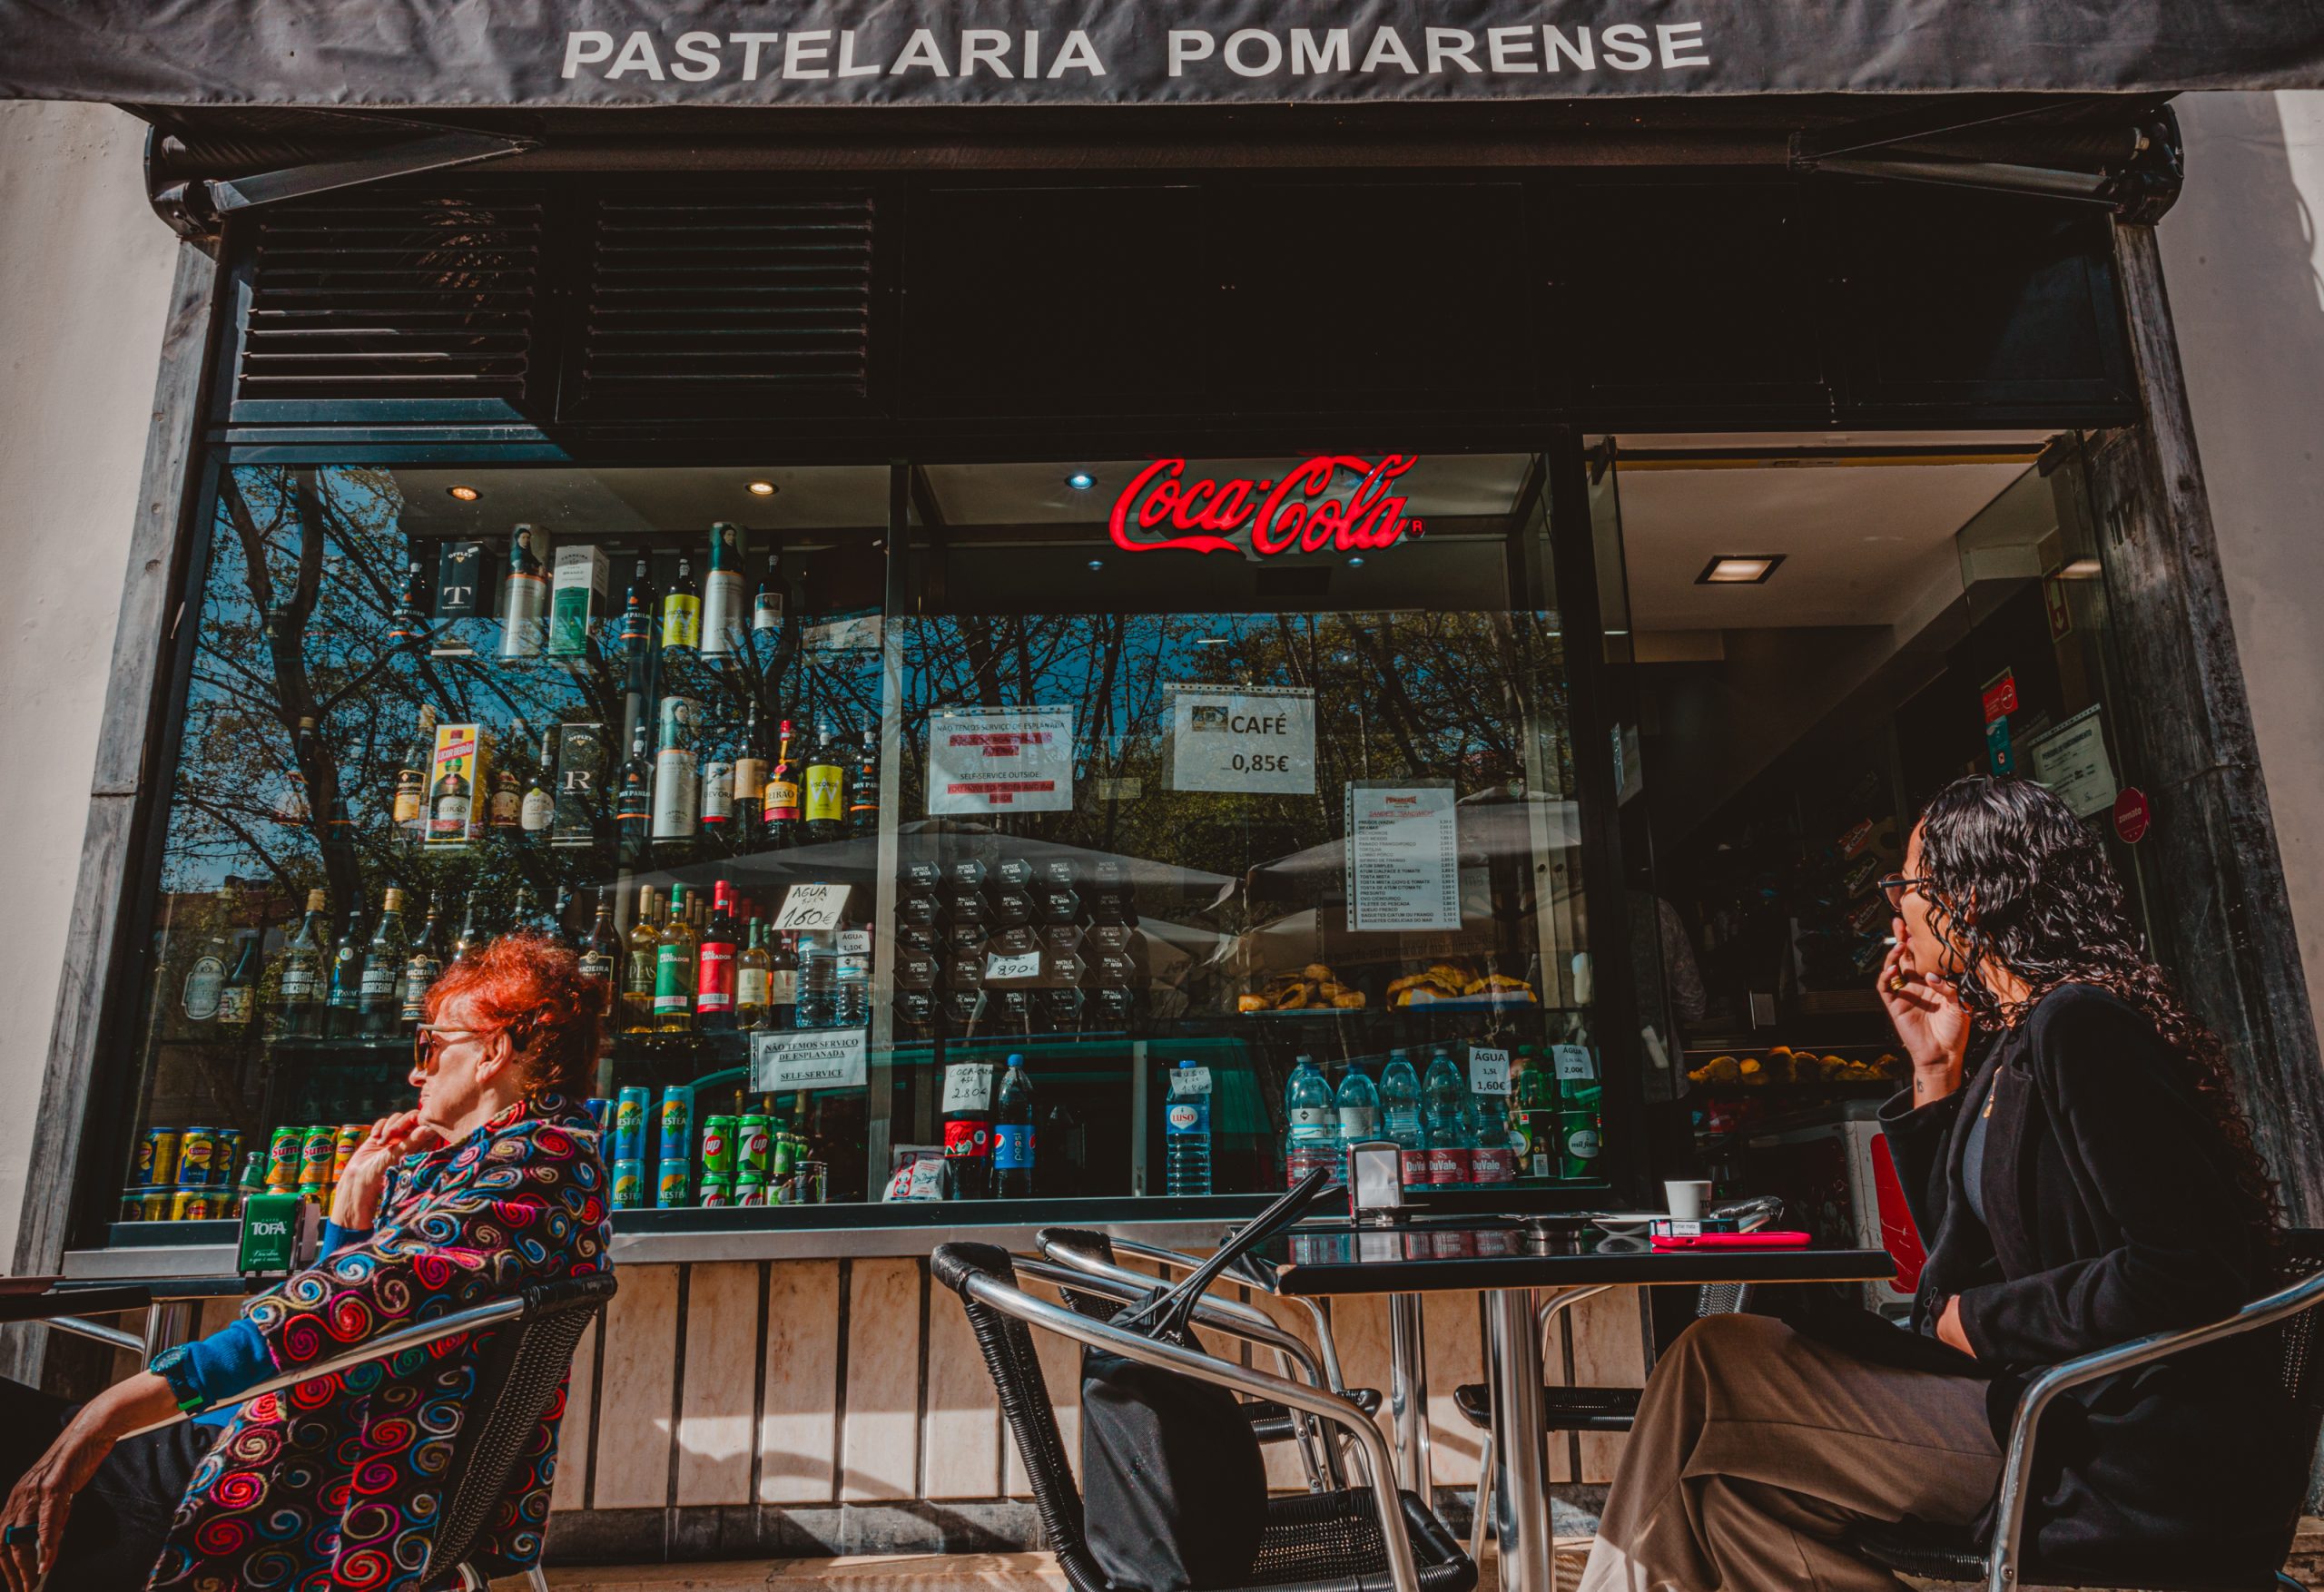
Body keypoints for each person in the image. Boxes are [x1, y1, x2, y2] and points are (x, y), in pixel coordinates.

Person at [1578, 774, 2298, 1591]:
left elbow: (2191, 1265)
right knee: (1729, 1513)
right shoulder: (2015, 1046)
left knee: (1711, 1361)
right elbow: (1952, 1271)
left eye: (1908, 886)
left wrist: (1986, 1321)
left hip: (2098, 1438)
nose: (1897, 913)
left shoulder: (2082, 1026)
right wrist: (1933, 1071)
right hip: (2032, 1406)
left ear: (1971, 896)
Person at [0, 931, 611, 1592]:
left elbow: (331, 1311)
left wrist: (102, 1419)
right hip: (306, 1457)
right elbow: (367, 1309)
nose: (416, 1071)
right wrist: (350, 1215)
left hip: (275, 1488)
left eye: (430, 1044)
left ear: (492, 1051)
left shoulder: (531, 1166)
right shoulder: (512, 1162)